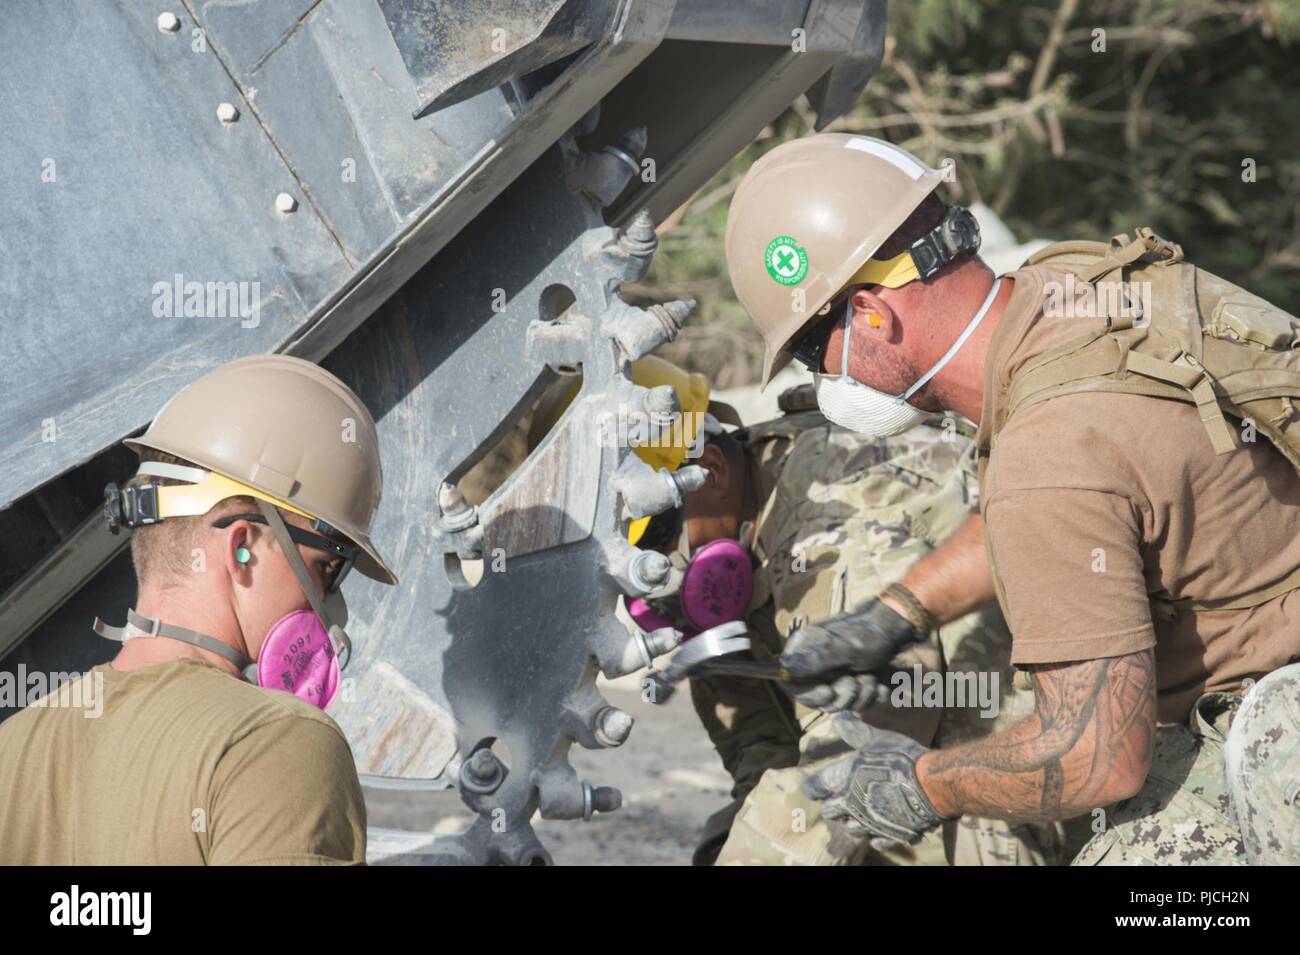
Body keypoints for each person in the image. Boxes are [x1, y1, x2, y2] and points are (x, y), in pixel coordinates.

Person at [723, 132, 1300, 864]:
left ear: (872, 313)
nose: (822, 375)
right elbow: (1079, 508)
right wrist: (898, 612)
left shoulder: (1048, 452)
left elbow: (1093, 756)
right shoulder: (1070, 291)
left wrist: (923, 785)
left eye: (812, 350)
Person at [0, 355, 396, 864]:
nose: (329, 610)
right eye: (325, 570)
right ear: (243, 549)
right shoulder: (274, 743)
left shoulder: (14, 749)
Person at [655, 386, 1062, 866]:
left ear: (712, 471)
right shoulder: (732, 528)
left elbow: (865, 737)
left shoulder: (830, 528)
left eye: (655, 538)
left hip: (1017, 749)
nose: (652, 575)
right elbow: (761, 749)